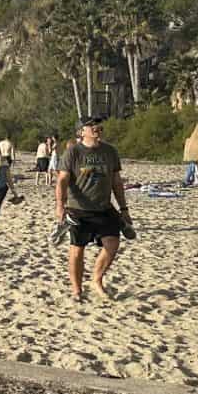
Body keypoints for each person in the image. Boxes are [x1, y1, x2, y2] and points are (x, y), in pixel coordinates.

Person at [55, 116, 134, 302]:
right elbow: (62, 180)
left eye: (97, 125)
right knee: (77, 250)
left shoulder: (110, 151)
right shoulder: (73, 152)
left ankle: (96, 279)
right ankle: (77, 290)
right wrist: (60, 206)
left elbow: (116, 182)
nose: (96, 127)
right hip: (78, 209)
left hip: (104, 207)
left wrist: (124, 209)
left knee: (113, 243)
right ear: (81, 132)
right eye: (91, 125)